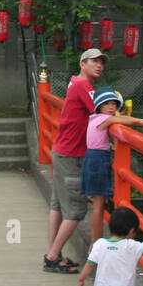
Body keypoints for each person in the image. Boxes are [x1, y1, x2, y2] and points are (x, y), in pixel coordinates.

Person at [82, 87, 143, 246]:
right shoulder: (105, 120)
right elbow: (129, 121)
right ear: (99, 106)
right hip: (97, 161)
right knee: (99, 205)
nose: (111, 107)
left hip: (94, 159)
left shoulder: (95, 118)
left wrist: (123, 116)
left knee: (100, 203)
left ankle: (95, 244)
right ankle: (95, 245)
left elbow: (120, 119)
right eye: (107, 104)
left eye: (113, 104)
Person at [44, 48, 106, 273]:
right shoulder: (83, 86)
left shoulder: (75, 84)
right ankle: (52, 256)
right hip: (71, 155)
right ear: (83, 64)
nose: (99, 65)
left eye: (101, 62)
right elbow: (101, 114)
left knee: (58, 205)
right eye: (94, 61)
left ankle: (52, 253)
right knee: (76, 209)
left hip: (63, 150)